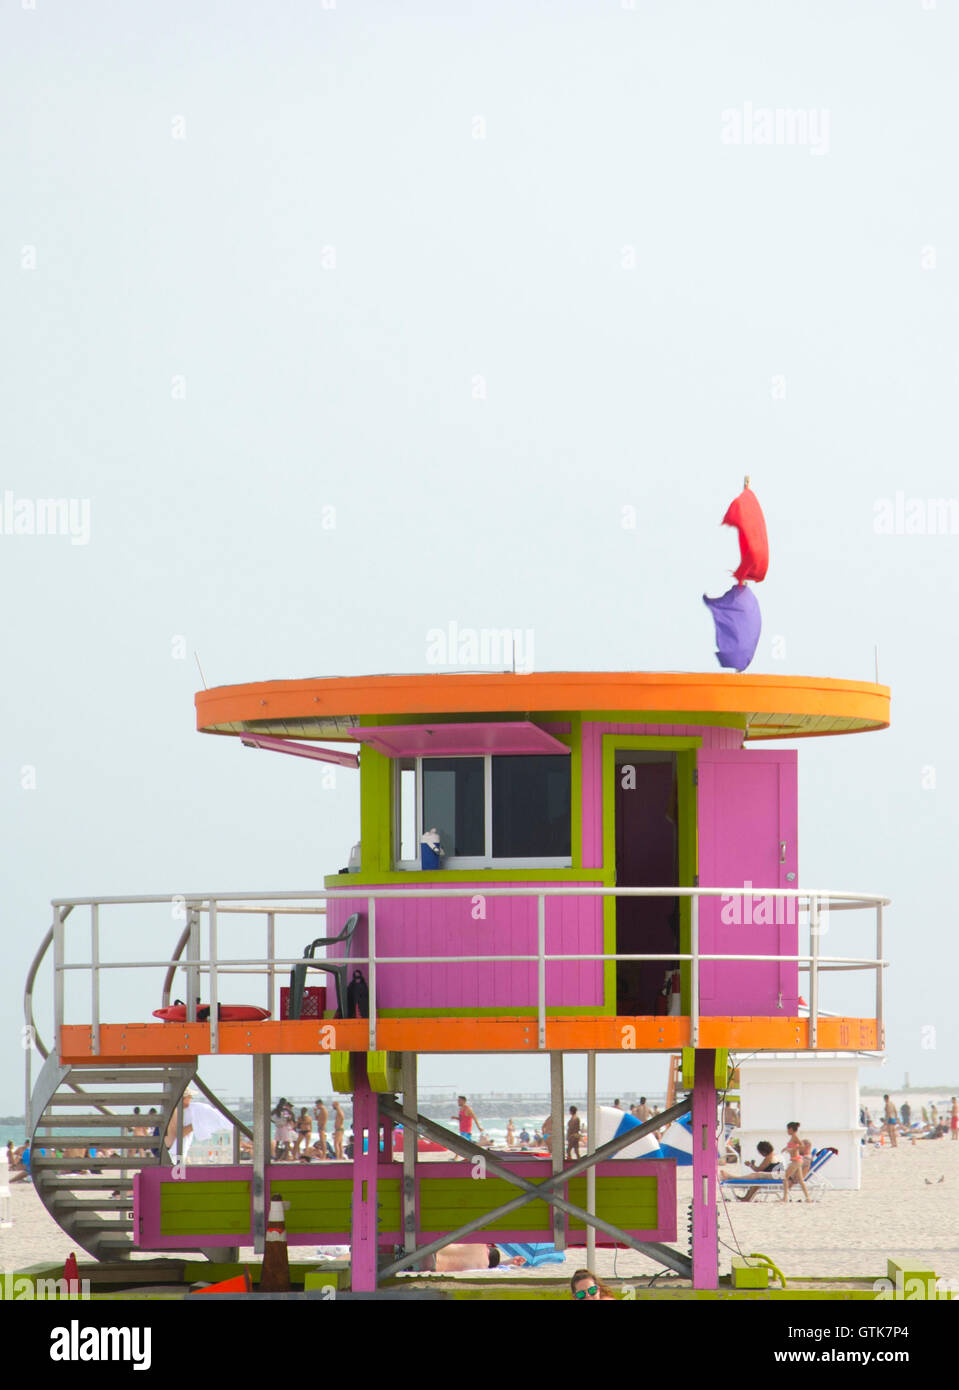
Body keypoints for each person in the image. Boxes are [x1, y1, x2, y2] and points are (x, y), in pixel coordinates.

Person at [782, 1122, 811, 1202]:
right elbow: (793, 1145)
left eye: (787, 1129)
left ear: (791, 1129)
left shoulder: (795, 1137)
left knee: (784, 1177)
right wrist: (786, 1148)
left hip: (796, 1160)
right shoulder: (793, 1137)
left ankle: (785, 1198)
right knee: (801, 1181)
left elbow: (802, 1146)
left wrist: (793, 1149)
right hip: (796, 1160)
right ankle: (808, 1198)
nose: (787, 1131)